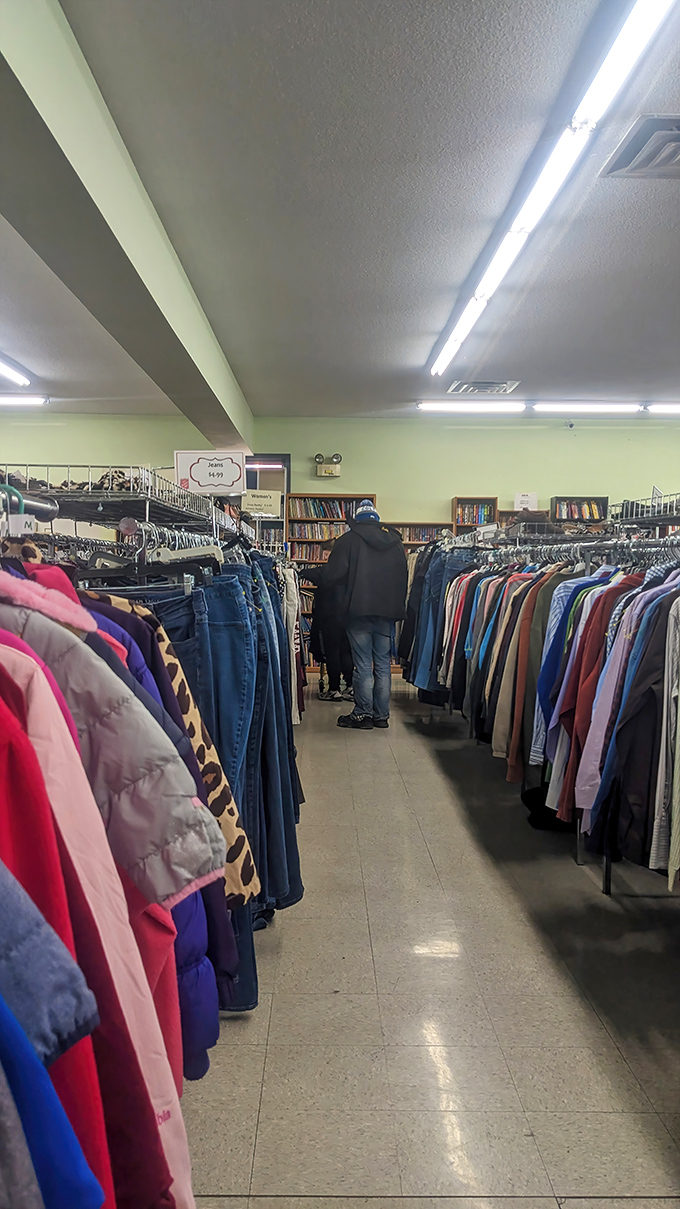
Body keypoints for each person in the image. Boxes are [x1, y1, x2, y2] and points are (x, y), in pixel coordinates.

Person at [320, 499, 407, 730]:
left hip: (357, 611)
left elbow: (332, 575)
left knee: (362, 664)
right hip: (387, 612)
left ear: (357, 520)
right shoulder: (395, 541)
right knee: (383, 664)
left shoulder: (348, 540)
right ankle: (381, 716)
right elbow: (403, 577)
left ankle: (363, 714)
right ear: (376, 519)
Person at [306, 546, 354, 702]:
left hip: (328, 617)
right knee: (346, 652)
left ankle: (334, 689)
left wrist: (298, 572)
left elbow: (315, 574)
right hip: (347, 617)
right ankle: (350, 686)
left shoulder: (329, 571)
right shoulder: (350, 569)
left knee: (332, 653)